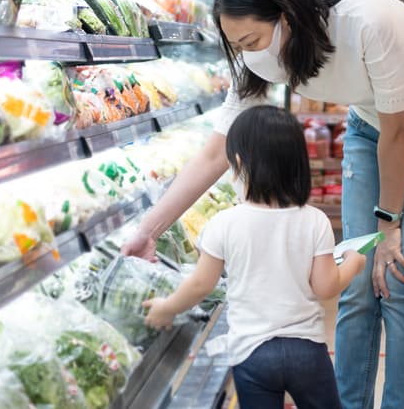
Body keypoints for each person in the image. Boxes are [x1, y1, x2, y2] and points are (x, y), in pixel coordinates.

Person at [124, 0, 404, 409]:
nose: (246, 53)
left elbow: (399, 131)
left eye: (251, 40)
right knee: (356, 285)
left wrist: (389, 226)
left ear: (286, 15)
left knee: (397, 280)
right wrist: (149, 230)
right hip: (371, 124)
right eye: (237, 45)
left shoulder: (369, 21)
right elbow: (217, 153)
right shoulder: (256, 55)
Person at [143, 105, 366, 409]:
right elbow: (326, 286)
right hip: (307, 351)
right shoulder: (315, 220)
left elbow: (200, 285)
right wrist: (353, 262)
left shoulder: (223, 223)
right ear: (298, 165)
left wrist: (167, 308)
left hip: (252, 353)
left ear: (237, 163)